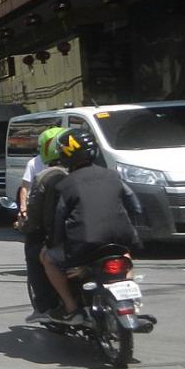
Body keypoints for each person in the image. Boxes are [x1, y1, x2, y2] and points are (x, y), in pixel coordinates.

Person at [40, 128, 142, 324]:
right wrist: (133, 232)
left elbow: (58, 219)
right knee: (125, 257)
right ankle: (129, 299)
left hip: (84, 246)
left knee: (48, 259)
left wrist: (54, 244)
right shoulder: (113, 175)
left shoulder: (65, 184)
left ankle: (71, 308)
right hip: (119, 240)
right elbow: (135, 205)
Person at [19, 127, 67, 323]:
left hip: (57, 233)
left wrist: (26, 224)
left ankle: (44, 306)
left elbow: (35, 211)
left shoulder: (45, 177)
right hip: (100, 233)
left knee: (34, 254)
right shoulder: (91, 169)